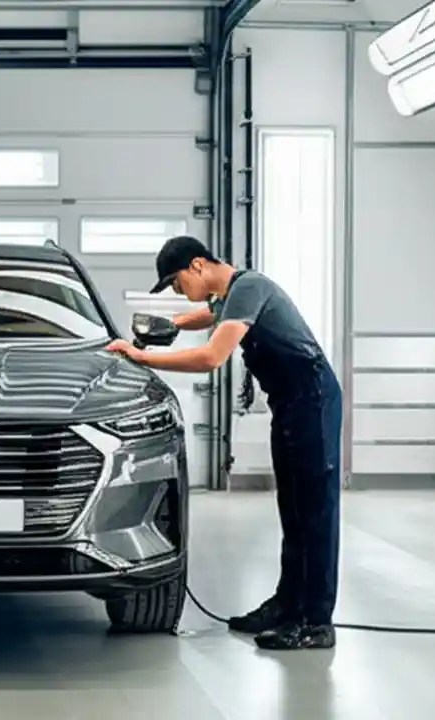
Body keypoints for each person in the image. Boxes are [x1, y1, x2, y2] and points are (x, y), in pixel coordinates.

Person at [105, 235, 343, 651]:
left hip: (314, 399)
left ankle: (316, 622)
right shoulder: (231, 294)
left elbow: (212, 358)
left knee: (315, 511)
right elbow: (209, 315)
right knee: (292, 507)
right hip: (290, 403)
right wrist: (175, 324)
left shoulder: (249, 287)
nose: (179, 293)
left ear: (197, 265)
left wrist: (143, 358)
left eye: (178, 284)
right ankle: (288, 605)